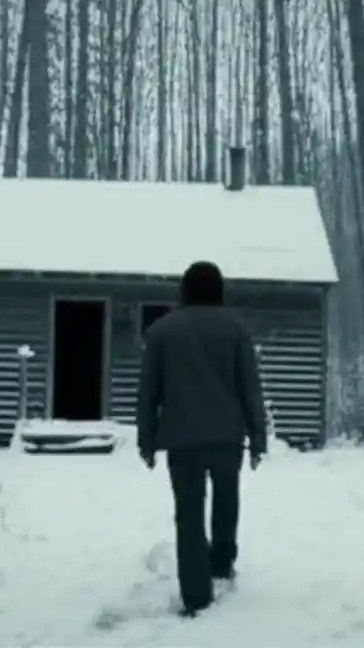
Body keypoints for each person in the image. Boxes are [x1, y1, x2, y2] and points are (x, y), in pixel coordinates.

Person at [136, 260, 268, 618]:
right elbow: (250, 388)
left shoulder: (161, 332)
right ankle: (222, 565)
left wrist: (146, 439)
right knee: (227, 502)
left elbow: (149, 392)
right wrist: (258, 437)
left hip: (182, 438)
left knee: (189, 516)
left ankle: (196, 595)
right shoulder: (236, 330)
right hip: (227, 436)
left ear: (186, 290)